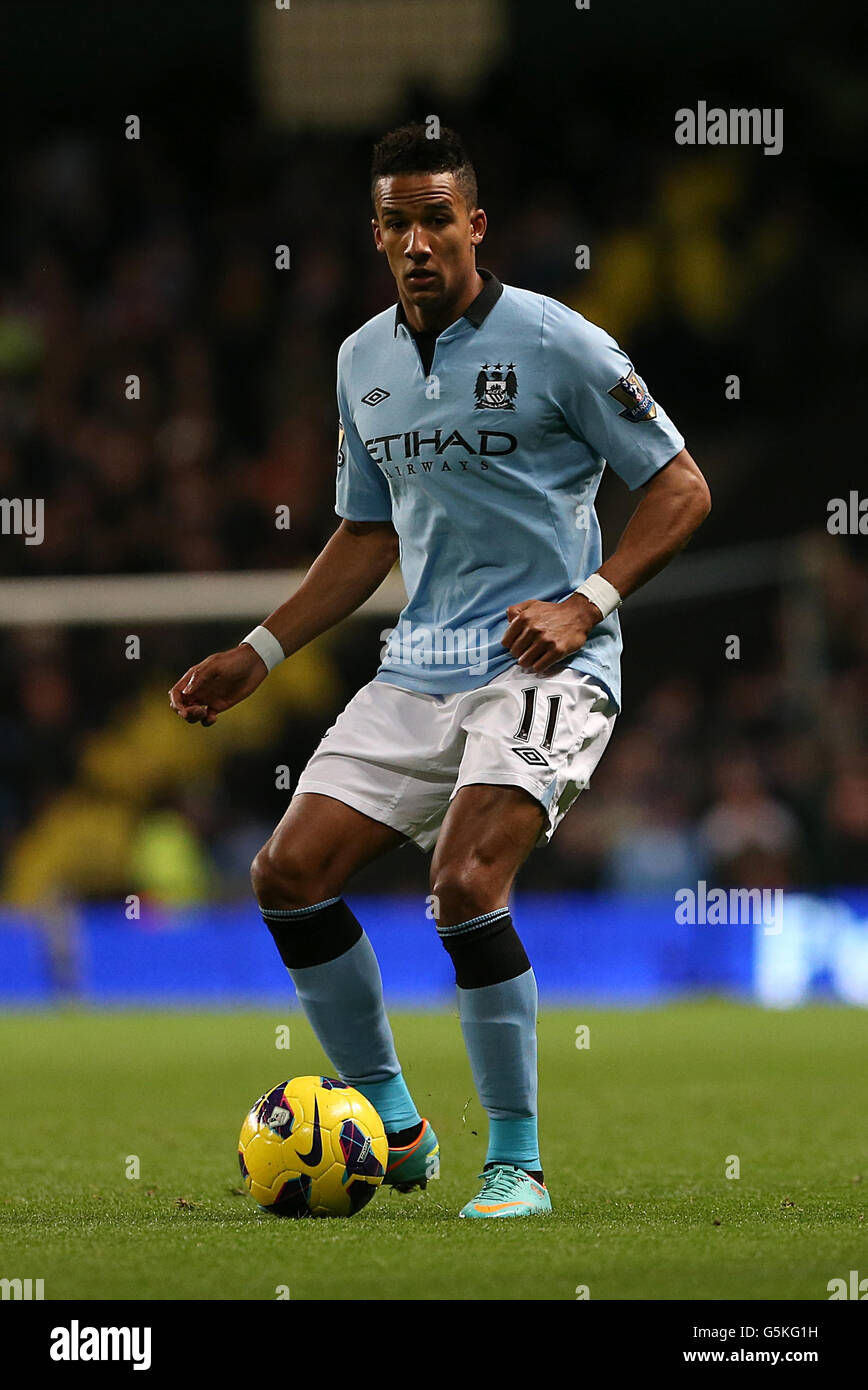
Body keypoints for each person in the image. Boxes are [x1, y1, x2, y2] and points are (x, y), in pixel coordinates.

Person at [169, 123, 711, 1219]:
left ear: (474, 223)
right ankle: (394, 1125)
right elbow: (366, 536)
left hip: (545, 663)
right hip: (419, 662)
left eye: (435, 217)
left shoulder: (560, 342)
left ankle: (518, 1161)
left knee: (464, 884)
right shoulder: (360, 360)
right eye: (395, 222)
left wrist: (585, 601)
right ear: (375, 237)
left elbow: (682, 488)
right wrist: (259, 652)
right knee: (287, 872)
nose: (417, 241)